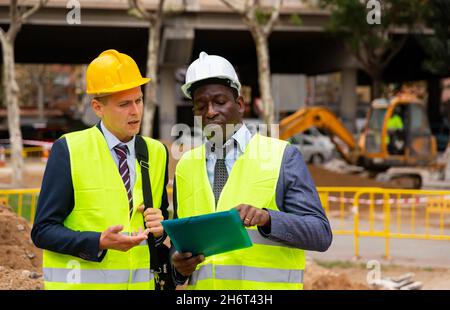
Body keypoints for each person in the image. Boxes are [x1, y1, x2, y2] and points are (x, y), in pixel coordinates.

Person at [166, 52, 332, 290]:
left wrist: (267, 218)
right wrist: (179, 267)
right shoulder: (185, 166)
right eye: (201, 106)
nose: (210, 112)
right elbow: (181, 240)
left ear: (240, 104)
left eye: (219, 102)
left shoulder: (282, 156)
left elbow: (320, 233)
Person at [31, 49, 169, 290]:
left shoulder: (157, 152)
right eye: (124, 104)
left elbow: (164, 221)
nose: (135, 111)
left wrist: (161, 227)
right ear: (97, 107)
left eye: (138, 100)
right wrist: (98, 242)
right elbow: (43, 231)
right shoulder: (69, 149)